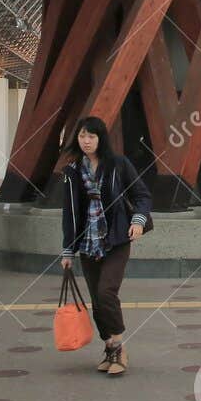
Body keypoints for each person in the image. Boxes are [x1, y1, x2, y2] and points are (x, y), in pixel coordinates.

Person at [59, 117, 151, 377]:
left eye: (91, 136)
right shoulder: (73, 170)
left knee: (106, 292)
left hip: (116, 240)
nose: (86, 141)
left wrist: (138, 221)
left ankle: (118, 347)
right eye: (82, 136)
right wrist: (68, 250)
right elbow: (70, 212)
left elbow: (141, 195)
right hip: (89, 242)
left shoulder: (118, 165)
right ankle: (109, 347)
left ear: (101, 139)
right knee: (97, 300)